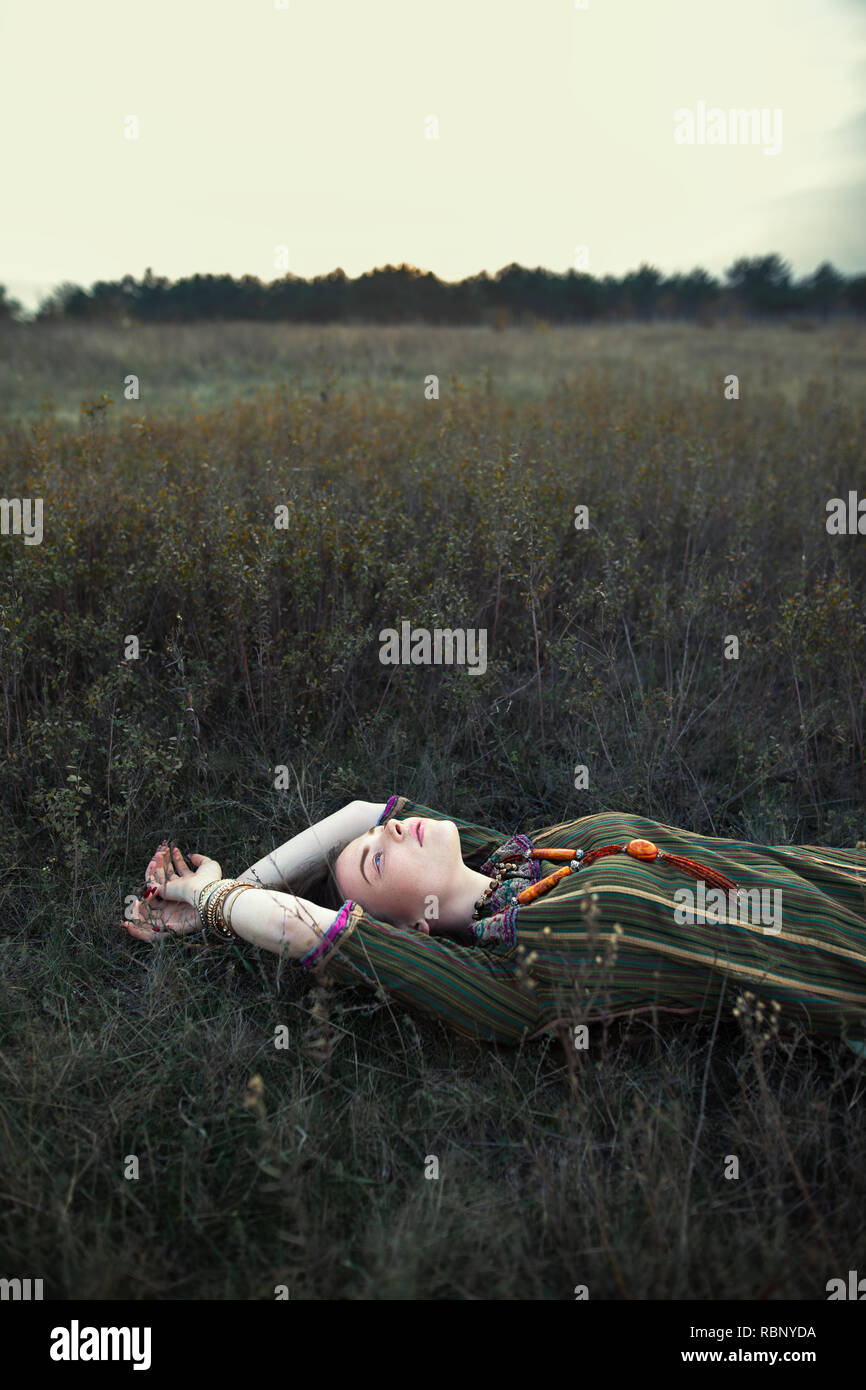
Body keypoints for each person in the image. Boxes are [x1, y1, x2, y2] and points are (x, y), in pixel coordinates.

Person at [121, 795, 866, 1055]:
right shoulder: (512, 978)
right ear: (412, 927)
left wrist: (244, 878)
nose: (393, 833)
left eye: (390, 835)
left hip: (838, 877)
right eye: (377, 864)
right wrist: (215, 901)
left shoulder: (512, 857)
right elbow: (313, 930)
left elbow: (357, 815)